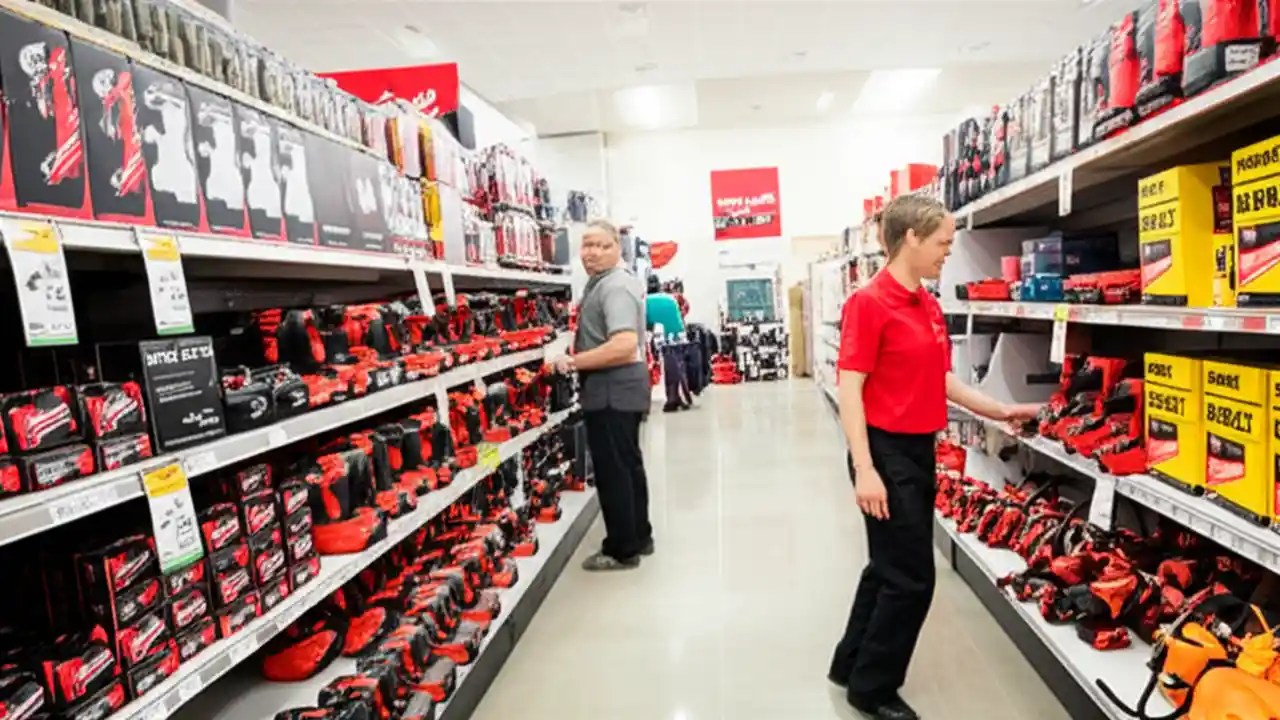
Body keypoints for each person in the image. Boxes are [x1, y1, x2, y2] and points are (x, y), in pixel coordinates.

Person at [829, 195, 1040, 720]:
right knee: (912, 578)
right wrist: (866, 469)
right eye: (943, 241)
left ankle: (849, 663)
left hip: (919, 449)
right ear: (911, 239)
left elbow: (940, 379)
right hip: (884, 451)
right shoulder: (869, 303)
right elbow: (850, 388)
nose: (950, 250)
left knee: (887, 567)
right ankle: (872, 689)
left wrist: (999, 409)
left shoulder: (927, 304)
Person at [551, 220, 654, 571]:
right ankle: (640, 535)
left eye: (602, 245)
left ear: (617, 249)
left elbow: (624, 345)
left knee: (613, 471)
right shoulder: (604, 285)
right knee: (628, 464)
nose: (592, 252)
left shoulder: (614, 287)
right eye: (587, 245)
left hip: (614, 389)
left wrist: (572, 362)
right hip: (618, 389)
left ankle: (622, 549)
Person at [645, 274, 692, 412]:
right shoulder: (669, 298)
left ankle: (672, 399)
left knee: (667, 368)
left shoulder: (645, 301)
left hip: (663, 337)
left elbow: (646, 324)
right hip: (679, 334)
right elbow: (682, 314)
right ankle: (681, 397)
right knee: (679, 367)